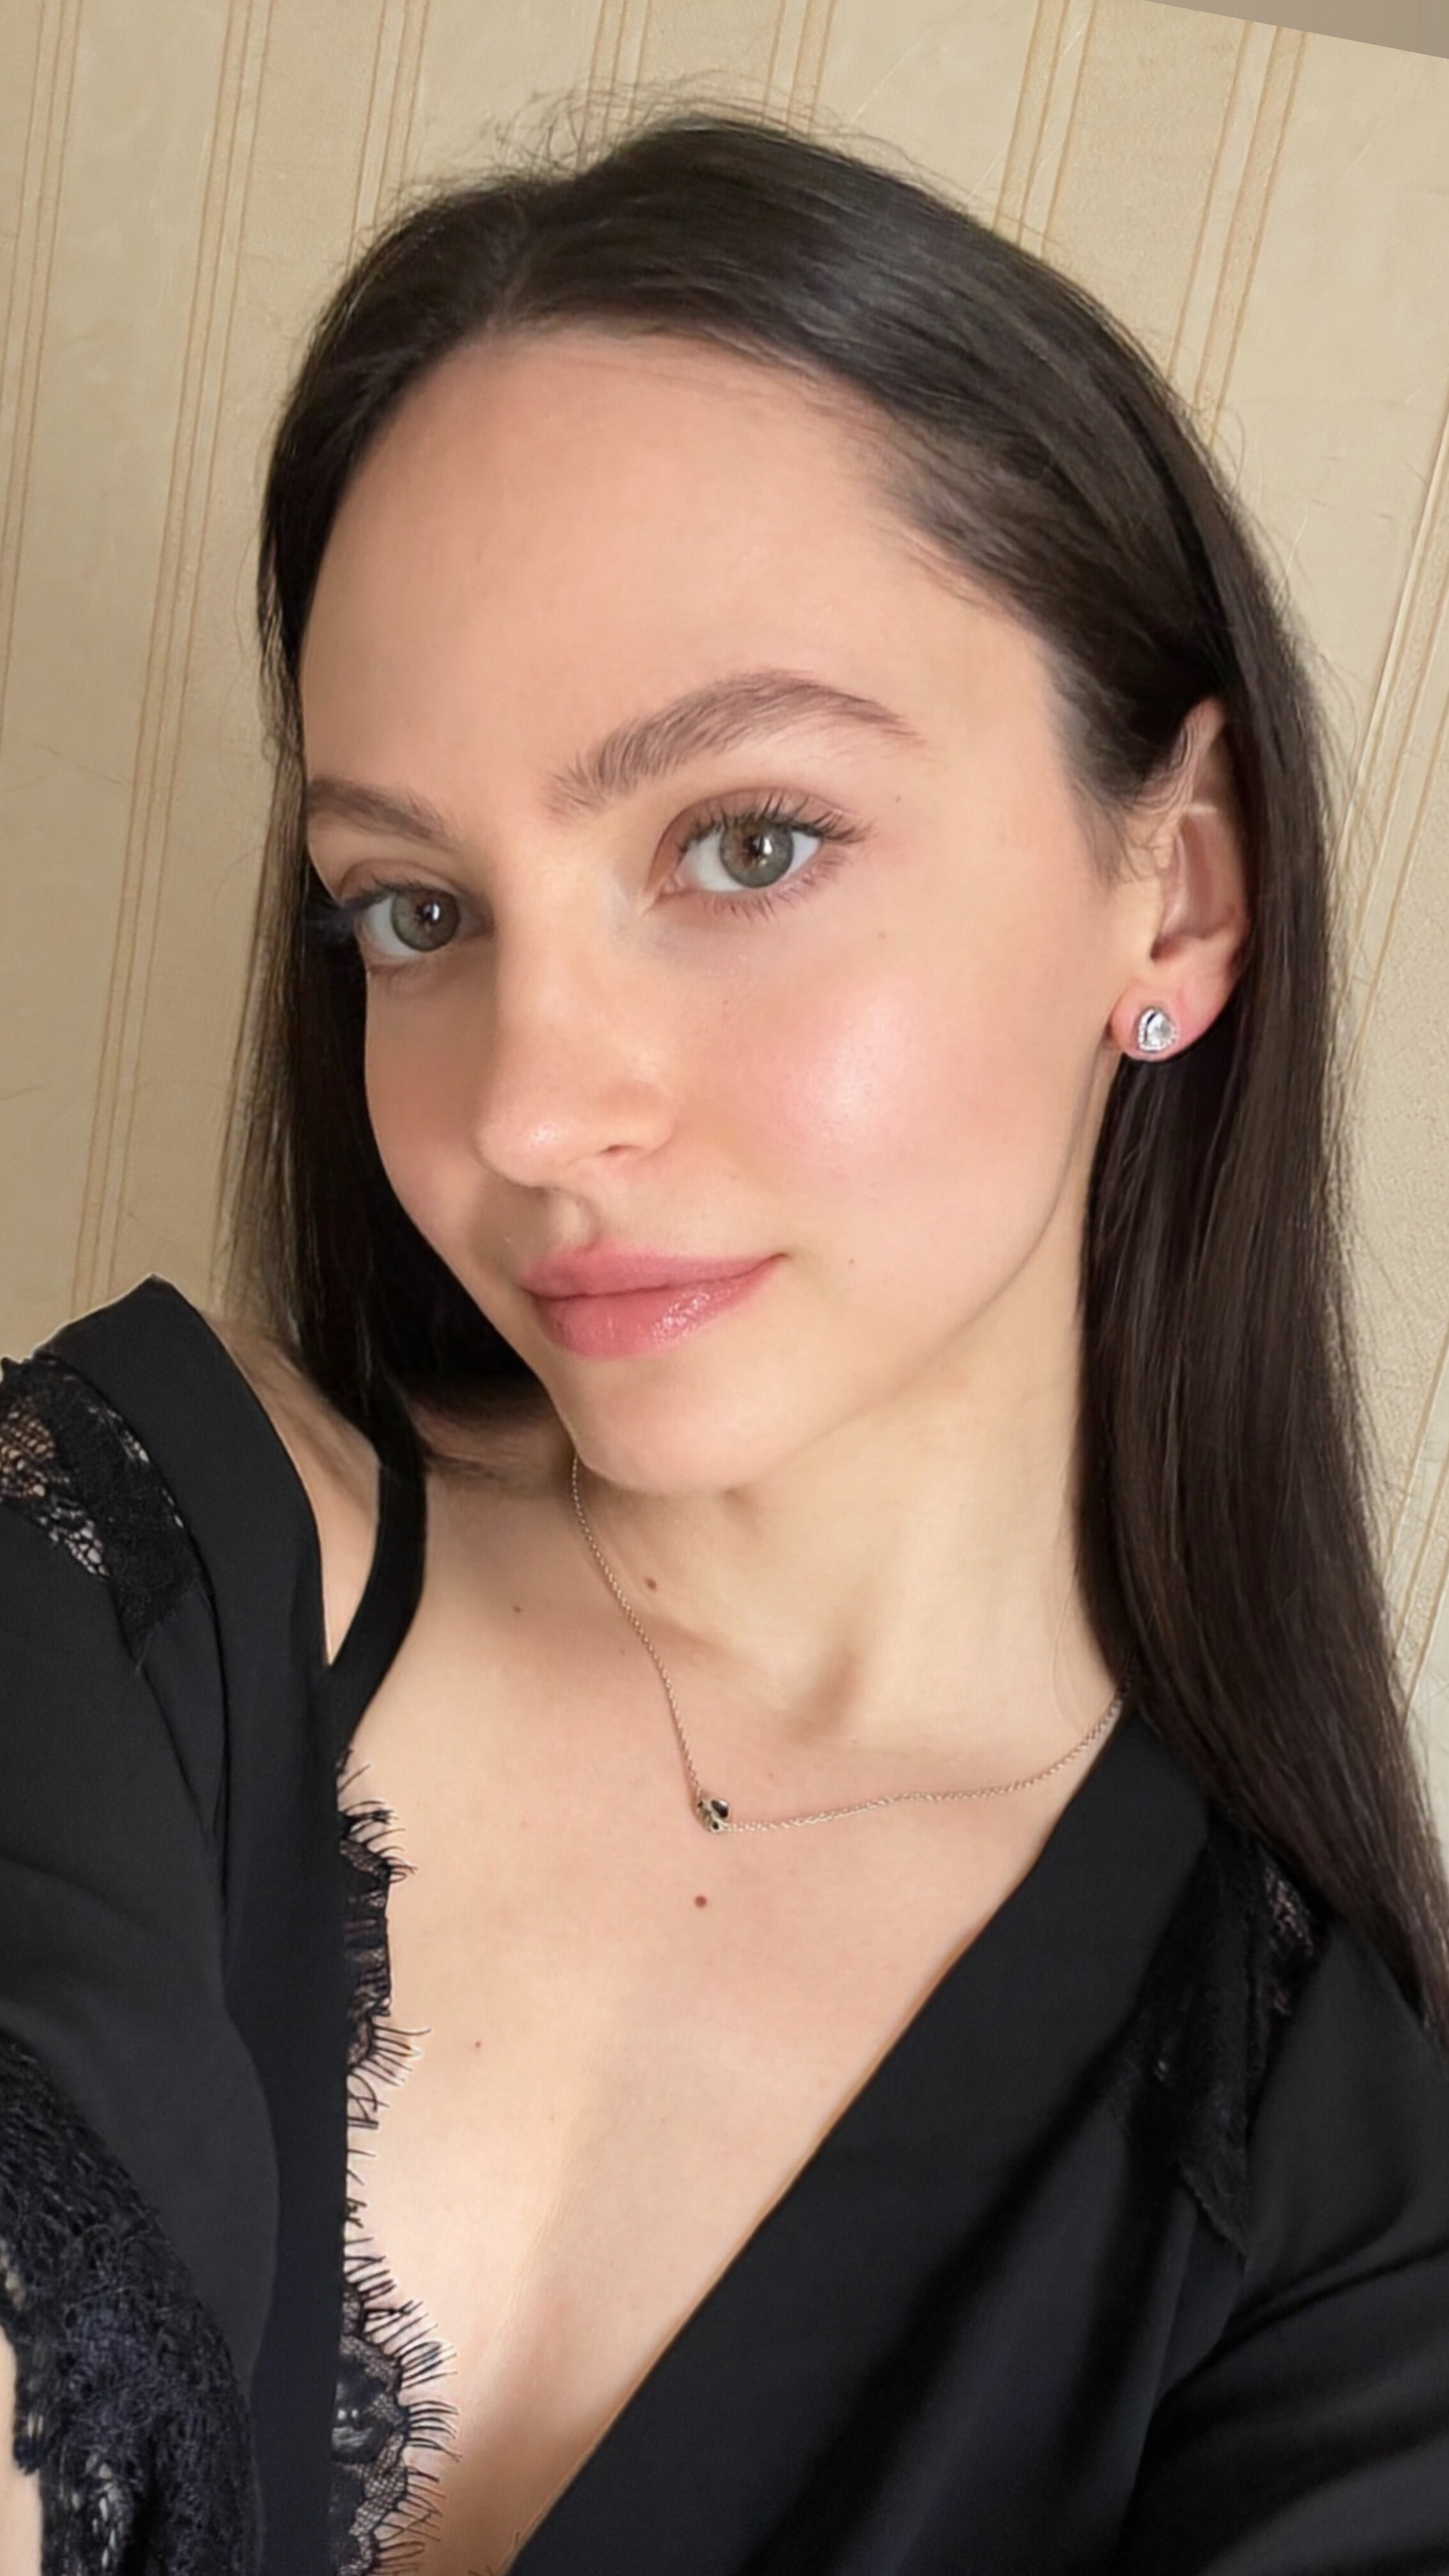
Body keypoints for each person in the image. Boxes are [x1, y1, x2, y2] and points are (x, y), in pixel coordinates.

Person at [2, 104, 1448, 2576]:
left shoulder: (1327, 2207)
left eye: (746, 843)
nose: (527, 1113)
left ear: (1175, 891)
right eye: (413, 909)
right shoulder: (119, 1564)